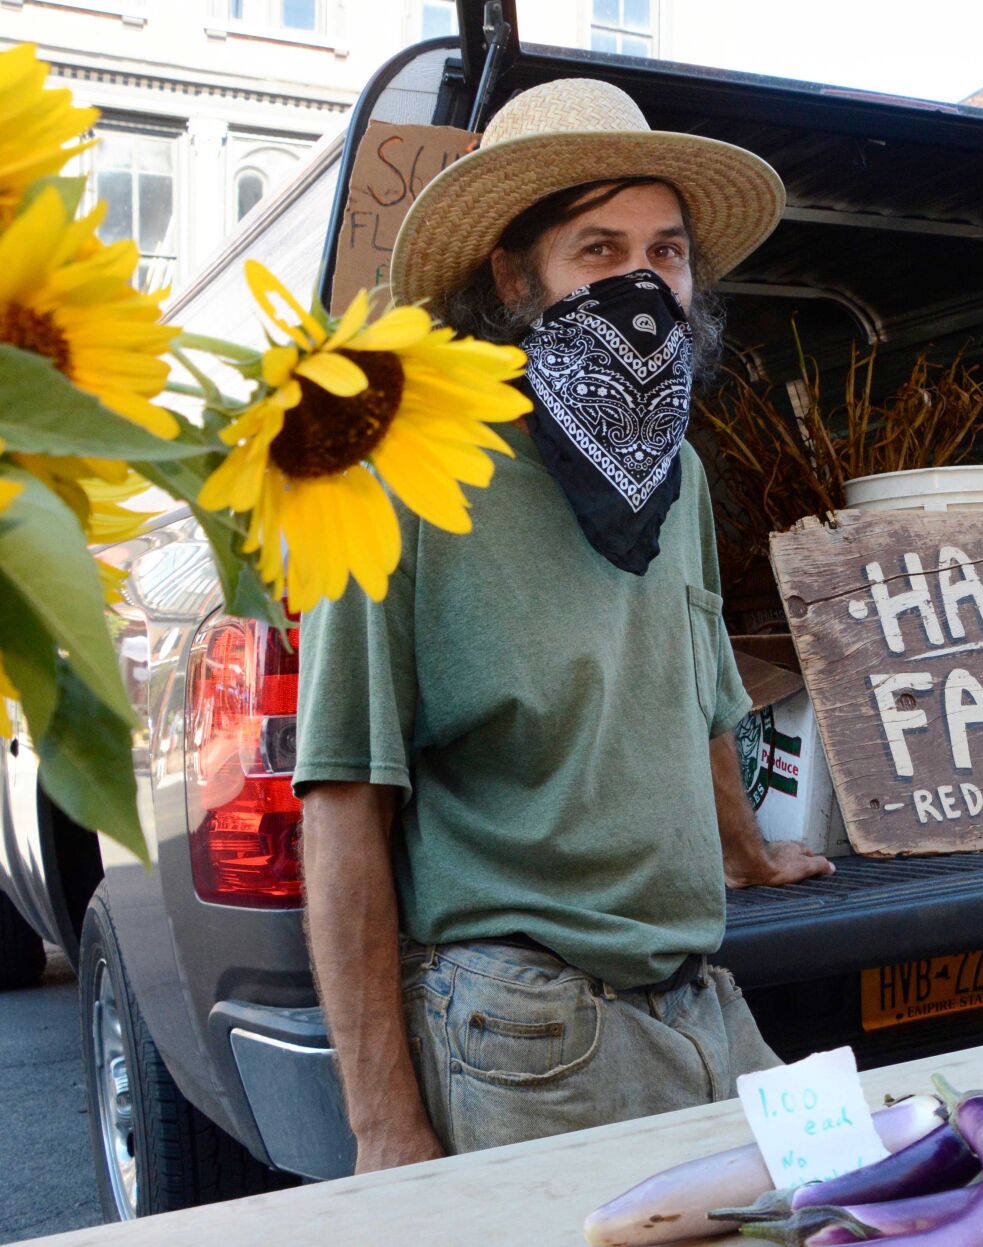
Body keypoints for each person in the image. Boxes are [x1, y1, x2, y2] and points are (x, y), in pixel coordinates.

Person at [293, 77, 833, 1175]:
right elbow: (344, 797)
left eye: (666, 253)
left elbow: (696, 682)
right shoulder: (400, 474)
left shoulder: (670, 468)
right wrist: (381, 1122)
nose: (643, 284)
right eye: (598, 251)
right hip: (527, 1021)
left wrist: (748, 850)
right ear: (512, 277)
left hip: (699, 999)